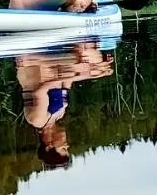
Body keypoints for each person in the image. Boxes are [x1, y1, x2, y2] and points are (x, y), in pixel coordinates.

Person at [17, 41, 114, 169]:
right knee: (95, 63)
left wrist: (85, 71)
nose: (67, 145)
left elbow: (41, 90)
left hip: (32, 61)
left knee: (86, 59)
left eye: (63, 148)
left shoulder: (37, 120)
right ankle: (84, 38)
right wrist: (92, 74)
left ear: (49, 146)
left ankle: (83, 42)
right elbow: (68, 81)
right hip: (51, 64)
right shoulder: (59, 114)